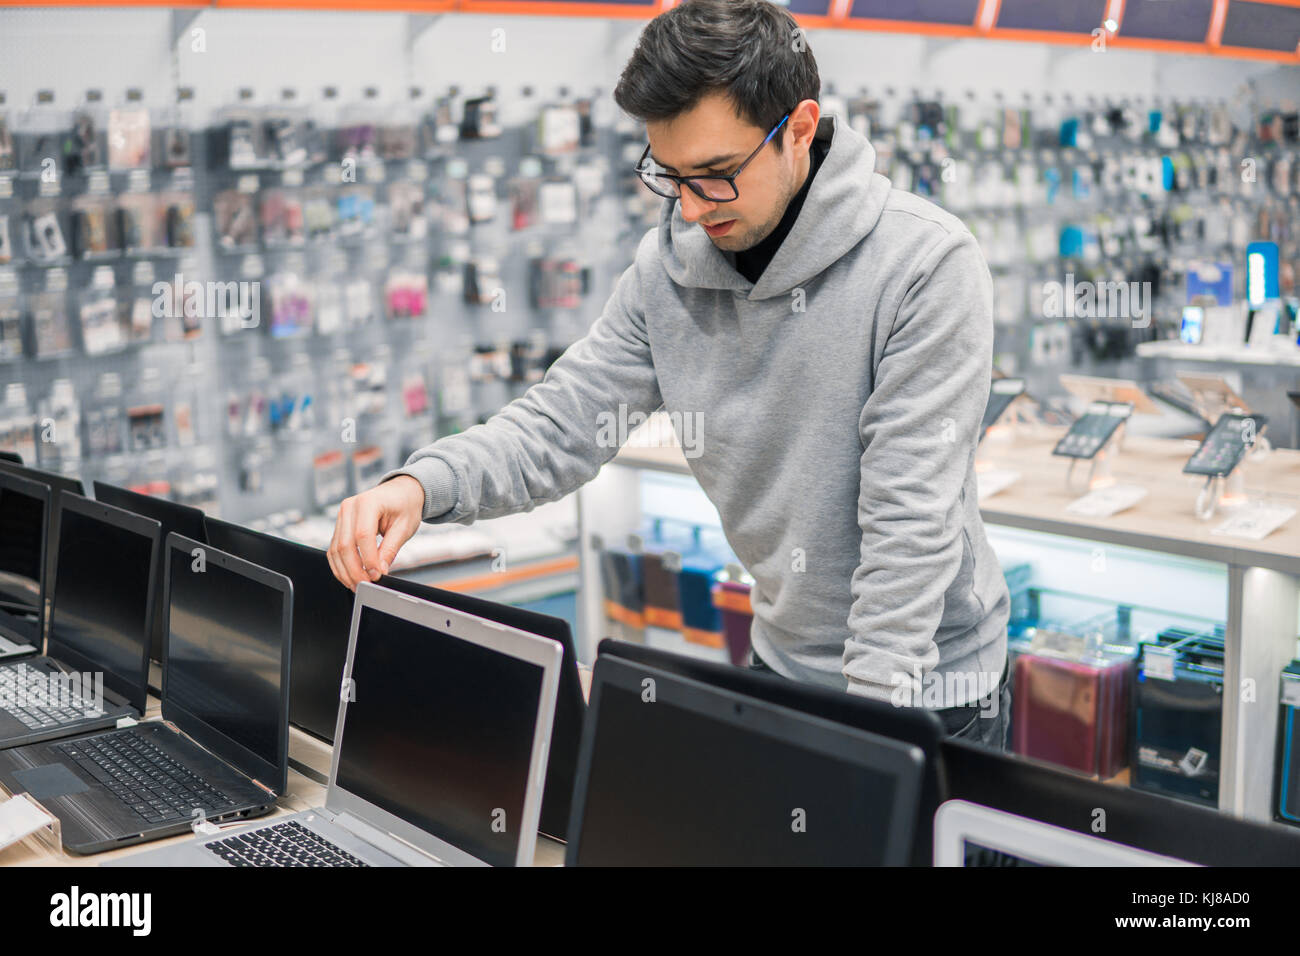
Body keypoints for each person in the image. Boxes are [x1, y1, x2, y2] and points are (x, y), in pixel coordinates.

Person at [328, 0, 1011, 749]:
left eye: (717, 175)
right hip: (781, 661)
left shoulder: (925, 266)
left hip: (926, 688)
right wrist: (423, 485)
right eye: (670, 175)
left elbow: (907, 528)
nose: (689, 208)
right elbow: (564, 422)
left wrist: (869, 732)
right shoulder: (668, 274)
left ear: (801, 129)